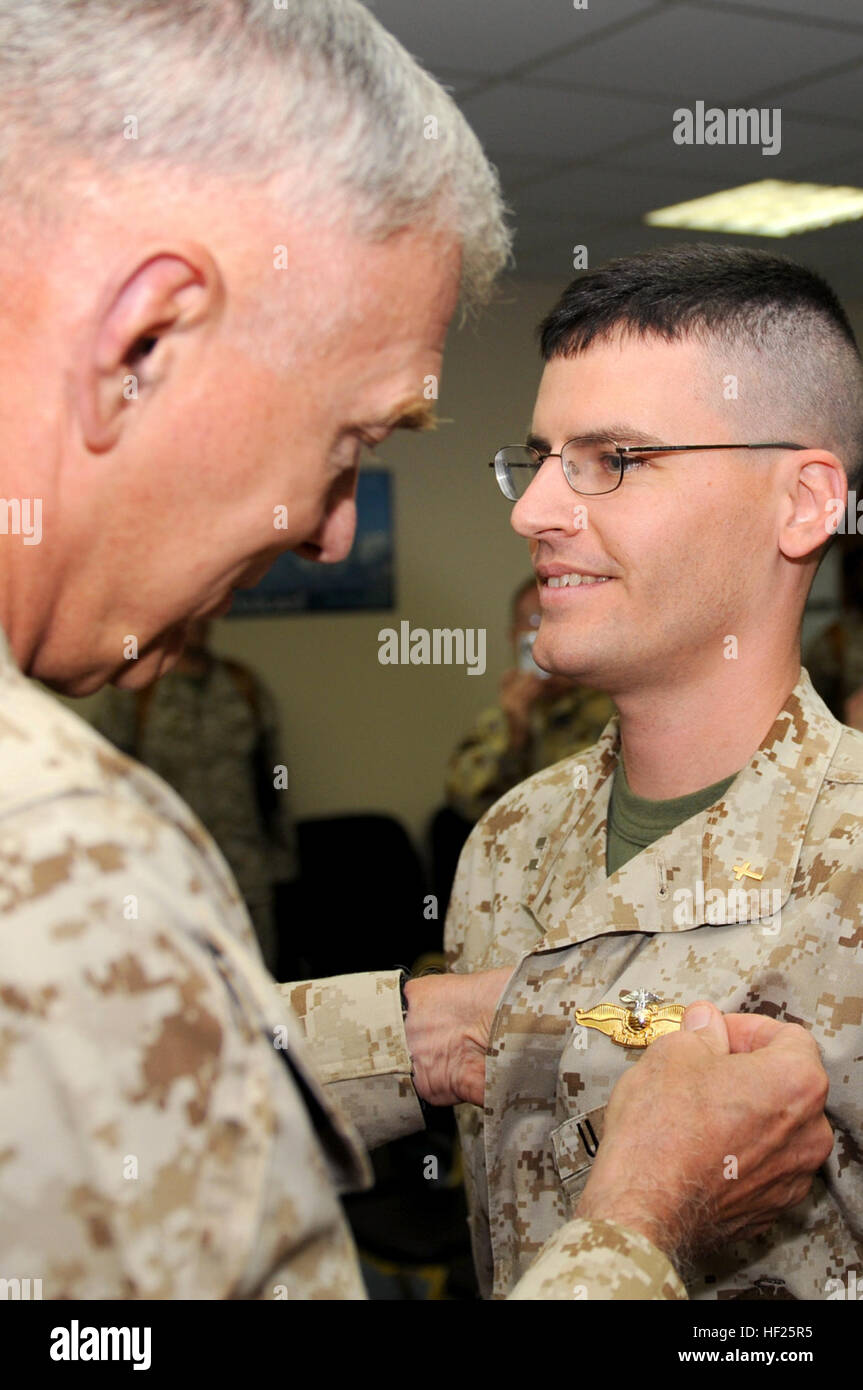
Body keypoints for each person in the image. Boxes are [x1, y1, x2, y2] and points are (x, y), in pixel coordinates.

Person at [0, 4, 831, 1301]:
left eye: (614, 461)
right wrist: (641, 1218)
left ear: (802, 502)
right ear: (144, 337)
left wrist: (407, 1029)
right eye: (351, 437)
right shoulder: (67, 830)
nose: (338, 529)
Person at [446, 243, 862, 1300]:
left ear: (804, 501)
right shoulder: (508, 840)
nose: (533, 510)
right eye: (538, 457)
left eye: (613, 458)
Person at [94, 619, 297, 972]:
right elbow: (106, 782)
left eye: (205, 616)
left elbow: (274, 777)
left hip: (245, 872)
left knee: (260, 984)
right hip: (167, 872)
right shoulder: (137, 689)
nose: (198, 625)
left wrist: (283, 864)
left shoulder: (242, 685)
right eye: (189, 616)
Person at [445, 577, 614, 823]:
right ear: (515, 638)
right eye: (535, 621)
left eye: (560, 617)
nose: (545, 631)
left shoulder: (615, 707)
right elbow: (466, 802)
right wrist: (513, 733)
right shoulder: (506, 715)